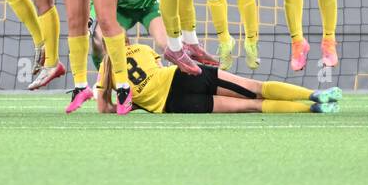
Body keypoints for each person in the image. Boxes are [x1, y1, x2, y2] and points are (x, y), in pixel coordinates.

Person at [95, 42, 343, 114]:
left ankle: (313, 110)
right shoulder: (141, 48)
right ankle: (314, 95)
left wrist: (138, 103)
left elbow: (105, 108)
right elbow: (157, 71)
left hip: (174, 105)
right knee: (255, 87)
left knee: (251, 105)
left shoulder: (105, 69)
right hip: (181, 77)